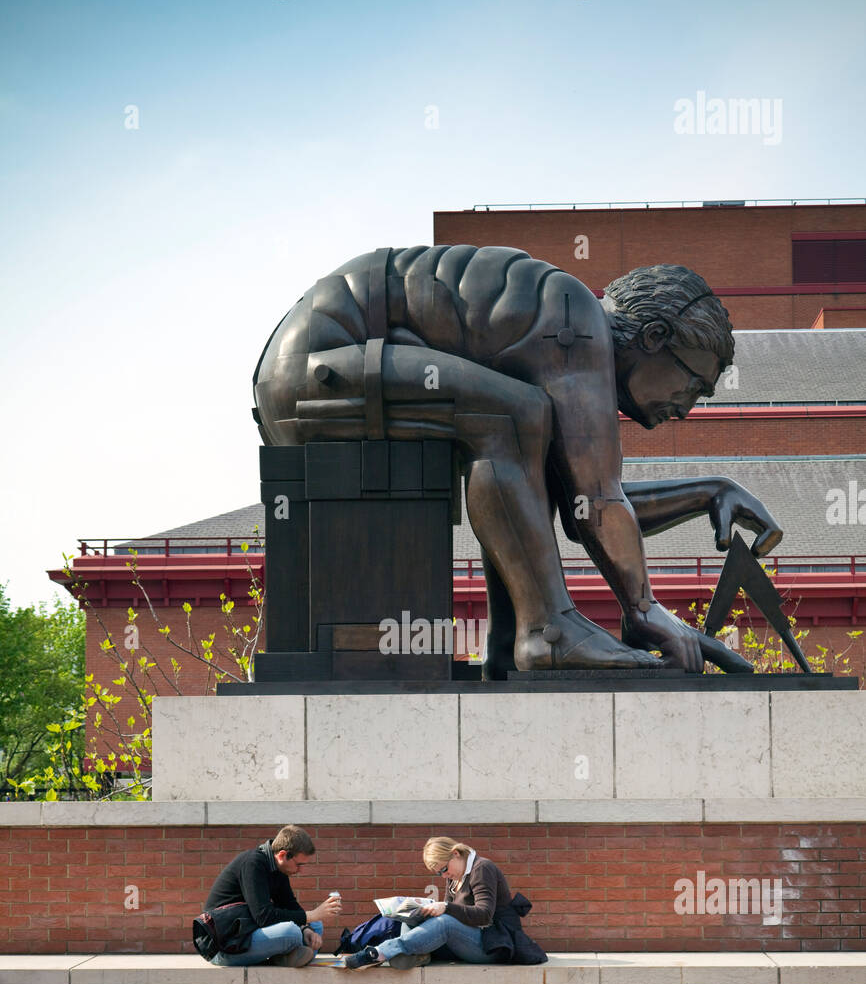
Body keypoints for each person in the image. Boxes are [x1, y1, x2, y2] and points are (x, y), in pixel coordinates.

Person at [253, 244, 782, 677]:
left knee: (527, 434)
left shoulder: (567, 327)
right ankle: (547, 633)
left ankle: (511, 643)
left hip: (320, 371)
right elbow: (597, 502)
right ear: (655, 337)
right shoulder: (576, 321)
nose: (686, 408)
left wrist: (708, 492)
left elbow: (583, 502)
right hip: (315, 368)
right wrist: (645, 612)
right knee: (512, 417)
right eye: (693, 384)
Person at [344, 835, 539, 970]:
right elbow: (451, 911)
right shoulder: (454, 878)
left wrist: (445, 907)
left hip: (491, 946)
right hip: (465, 942)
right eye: (439, 873)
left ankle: (380, 953)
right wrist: (424, 910)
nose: (444, 875)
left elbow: (484, 914)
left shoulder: (482, 868)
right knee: (411, 917)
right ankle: (413, 955)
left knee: (445, 923)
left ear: (455, 853)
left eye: (444, 869)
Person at [197, 824, 341, 967]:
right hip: (224, 945)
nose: (300, 870)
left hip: (248, 933)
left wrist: (306, 928)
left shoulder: (279, 870)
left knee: (315, 926)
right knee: (292, 933)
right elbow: (264, 916)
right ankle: (278, 959)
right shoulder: (252, 863)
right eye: (299, 865)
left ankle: (283, 958)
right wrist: (311, 915)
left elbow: (289, 905)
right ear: (282, 855)